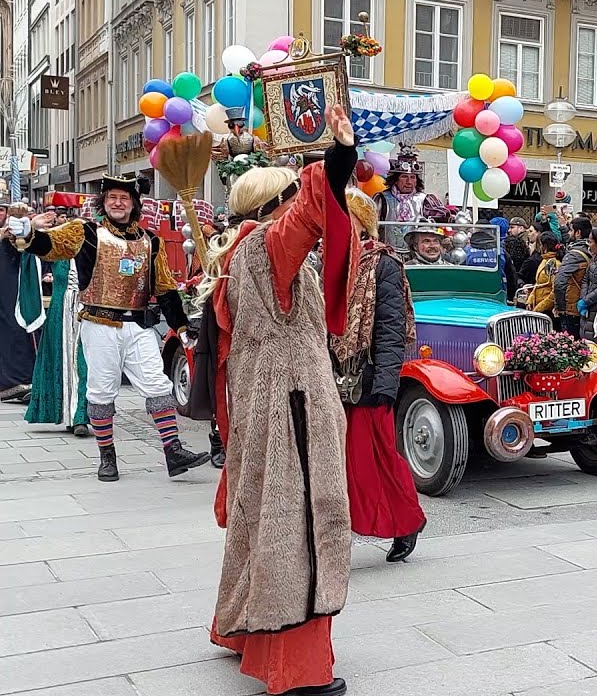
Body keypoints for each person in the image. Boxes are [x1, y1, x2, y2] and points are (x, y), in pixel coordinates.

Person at [197, 105, 358, 696]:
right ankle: (295, 665)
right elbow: (312, 216)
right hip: (293, 393)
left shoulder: (237, 249)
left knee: (259, 511)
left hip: (262, 392)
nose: (298, 204)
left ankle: (242, 625)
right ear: (274, 206)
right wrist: (338, 156)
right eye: (290, 196)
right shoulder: (269, 244)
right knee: (302, 518)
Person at [18, 177, 207, 482]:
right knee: (102, 391)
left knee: (158, 385)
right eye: (112, 198)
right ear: (103, 202)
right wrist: (30, 233)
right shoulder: (87, 232)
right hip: (99, 324)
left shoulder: (151, 240)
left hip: (139, 326)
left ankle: (173, 451)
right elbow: (54, 246)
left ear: (134, 203)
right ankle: (107, 456)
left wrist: (181, 326)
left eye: (124, 198)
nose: (118, 203)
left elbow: (165, 289)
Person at [332, 189, 426, 562]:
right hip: (330, 375)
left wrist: (386, 384)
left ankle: (406, 521)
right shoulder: (325, 261)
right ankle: (336, 533)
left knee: (378, 458)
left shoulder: (382, 264)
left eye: (345, 216)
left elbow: (390, 329)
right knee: (335, 461)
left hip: (368, 377)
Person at [24, 251, 89, 437]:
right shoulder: (55, 252)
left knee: (84, 364)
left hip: (88, 313)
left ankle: (81, 416)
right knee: (62, 362)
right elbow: (29, 254)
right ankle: (68, 414)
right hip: (59, 315)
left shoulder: (92, 252)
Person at [0, 202, 39, 404]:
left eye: (1, 209)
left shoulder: (12, 233)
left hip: (8, 292)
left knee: (14, 330)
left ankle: (16, 382)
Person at [554, 216, 593, 336]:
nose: (569, 233)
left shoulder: (574, 255)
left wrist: (560, 308)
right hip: (587, 303)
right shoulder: (592, 249)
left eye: (571, 230)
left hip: (571, 307)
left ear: (578, 233)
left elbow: (559, 282)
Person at [528, 232, 561, 317]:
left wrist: (540, 307)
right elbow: (538, 283)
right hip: (537, 304)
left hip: (547, 310)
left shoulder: (554, 263)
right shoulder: (544, 260)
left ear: (545, 246)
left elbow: (555, 290)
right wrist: (530, 300)